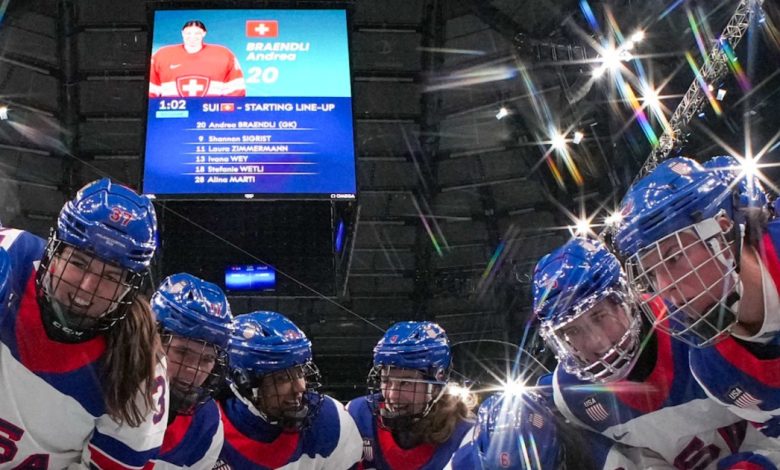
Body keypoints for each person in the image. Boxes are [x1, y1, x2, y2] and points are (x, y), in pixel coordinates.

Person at [532, 237, 779, 468]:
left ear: (625, 299)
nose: (595, 342)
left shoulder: (699, 326)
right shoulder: (572, 395)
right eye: (572, 331)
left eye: (599, 316)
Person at [0, 178, 168, 468]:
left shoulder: (140, 369)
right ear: (54, 252)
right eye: (78, 263)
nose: (87, 287)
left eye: (111, 276)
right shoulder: (11, 254)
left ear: (129, 288)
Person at [613, 155, 780, 433]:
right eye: (652, 274)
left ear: (723, 230)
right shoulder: (712, 368)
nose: (665, 287)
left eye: (674, 257)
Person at [218, 311, 362, 469]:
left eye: (300, 372)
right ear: (243, 381)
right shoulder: (207, 426)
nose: (300, 387)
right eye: (282, 378)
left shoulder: (331, 420)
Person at [347, 321, 475, 470]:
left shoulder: (466, 437)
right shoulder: (358, 415)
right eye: (386, 381)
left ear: (437, 381)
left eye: (405, 383)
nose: (392, 395)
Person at [149, 273, 235, 469]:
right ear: (152, 340)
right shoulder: (103, 386)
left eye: (207, 359)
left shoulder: (206, 423)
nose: (193, 370)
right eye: (182, 352)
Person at [149, 20, 246, 97]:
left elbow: (236, 90)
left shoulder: (223, 54)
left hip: (211, 114)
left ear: (204, 33)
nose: (192, 37)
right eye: (188, 33)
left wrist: (223, 113)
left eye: (197, 33)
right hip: (172, 114)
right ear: (182, 33)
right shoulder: (162, 54)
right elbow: (150, 90)